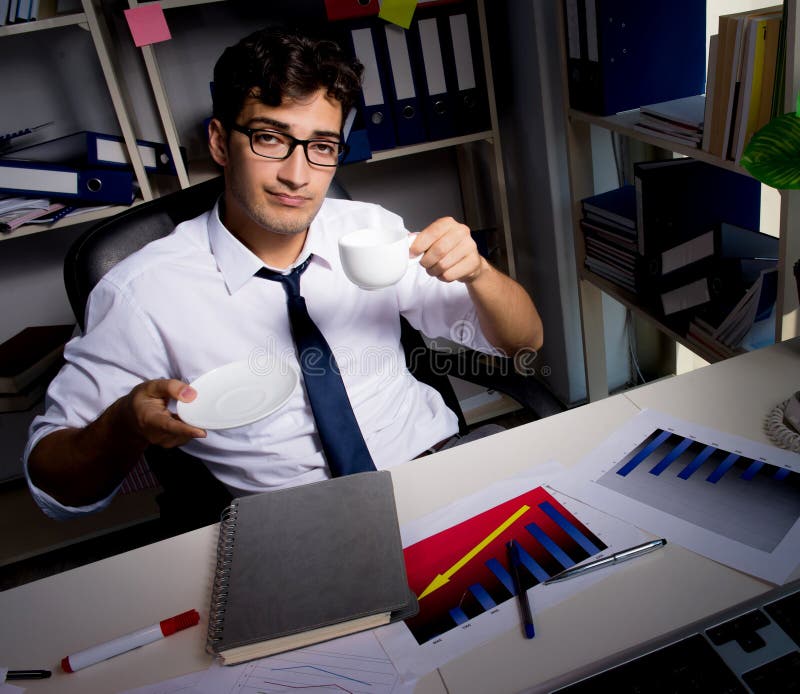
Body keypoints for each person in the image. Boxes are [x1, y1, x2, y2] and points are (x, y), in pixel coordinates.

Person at [25, 26, 543, 520]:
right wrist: (123, 425)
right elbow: (53, 486)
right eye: (270, 138)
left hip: (436, 464)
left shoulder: (370, 231)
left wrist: (479, 273)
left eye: (321, 146)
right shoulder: (143, 292)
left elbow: (525, 343)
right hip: (294, 520)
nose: (298, 176)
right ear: (220, 143)